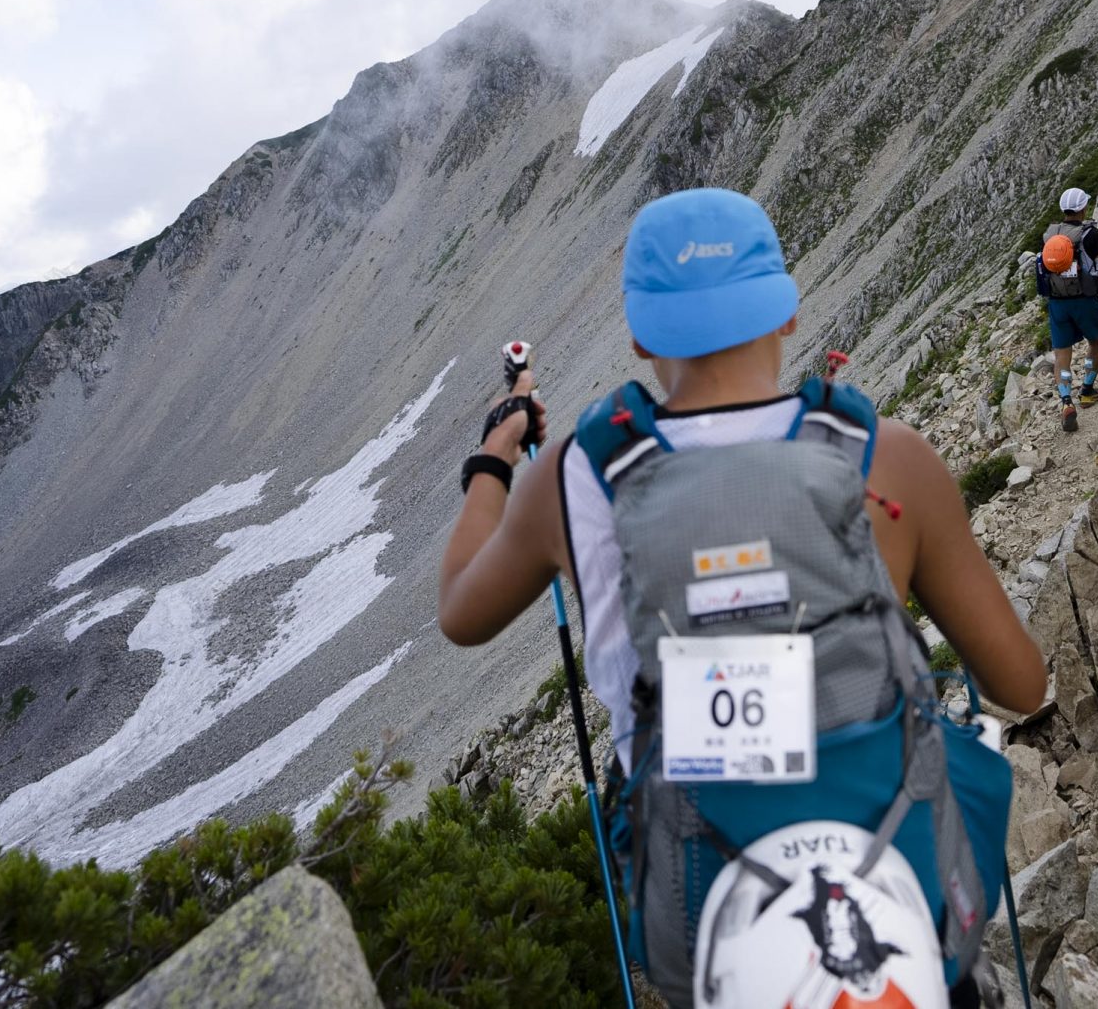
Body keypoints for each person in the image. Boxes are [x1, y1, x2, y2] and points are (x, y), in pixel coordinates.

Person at [438, 188, 1047, 1008]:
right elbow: (1020, 686)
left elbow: (460, 613)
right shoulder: (885, 458)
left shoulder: (575, 475)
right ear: (787, 316)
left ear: (642, 337)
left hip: (707, 929)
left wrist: (495, 456)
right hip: (901, 910)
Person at [1035, 187, 1098, 433]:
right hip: (1084, 300)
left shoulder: (1050, 234)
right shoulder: (1090, 234)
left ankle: (1066, 402)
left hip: (1057, 303)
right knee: (1096, 342)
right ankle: (1087, 391)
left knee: (1061, 355)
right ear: (1082, 208)